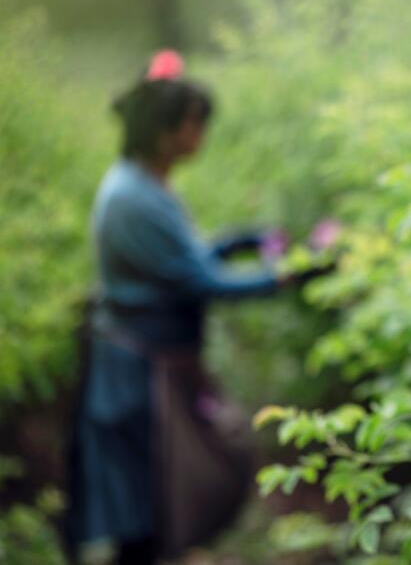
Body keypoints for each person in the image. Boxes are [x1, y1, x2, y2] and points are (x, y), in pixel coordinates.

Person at [66, 51, 307, 564]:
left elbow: (181, 257)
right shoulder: (133, 196)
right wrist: (284, 277)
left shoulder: (143, 185)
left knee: (158, 493)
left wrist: (239, 242)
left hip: (148, 359)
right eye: (195, 124)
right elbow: (198, 280)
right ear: (165, 133)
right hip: (139, 369)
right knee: (150, 498)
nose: (200, 136)